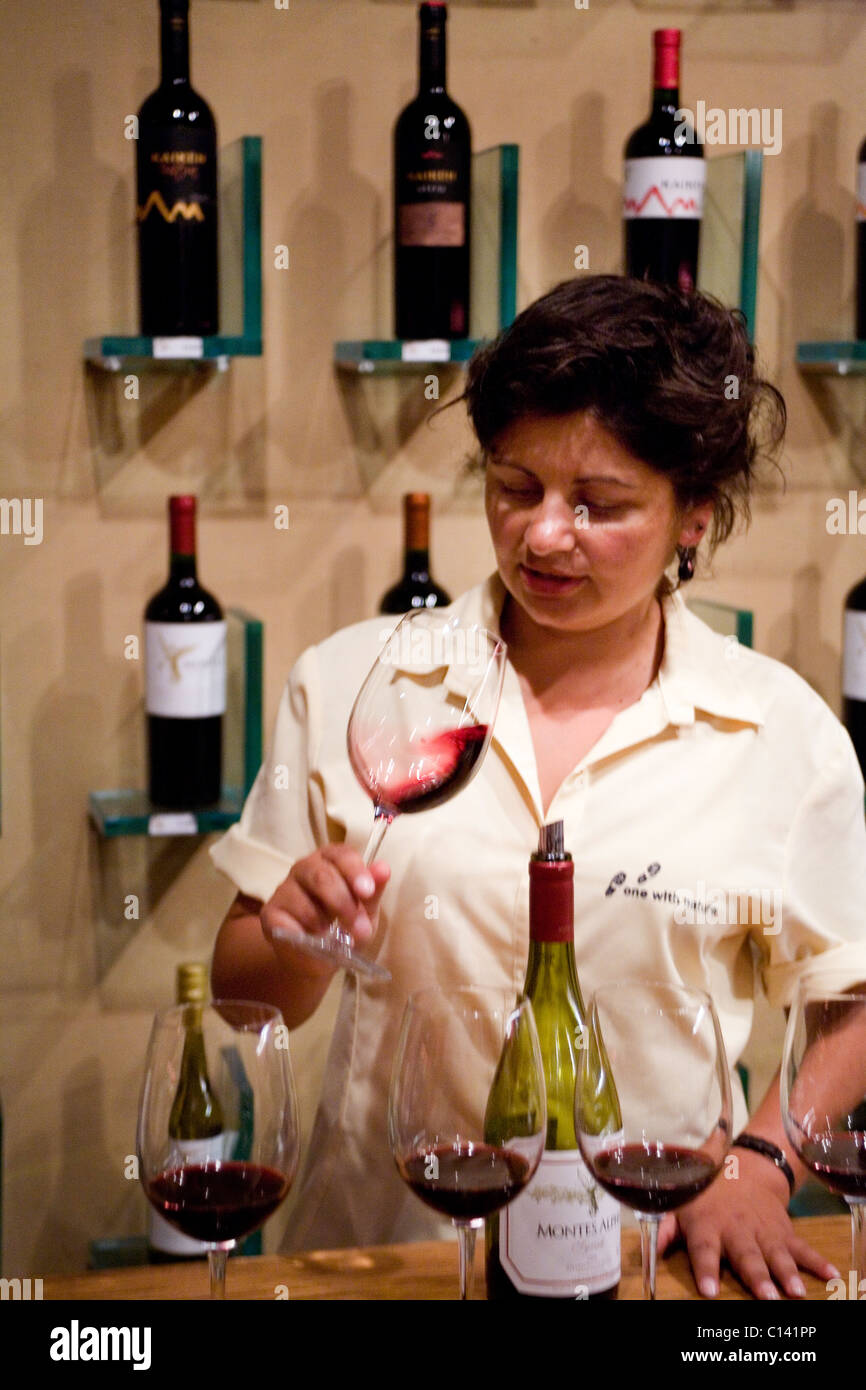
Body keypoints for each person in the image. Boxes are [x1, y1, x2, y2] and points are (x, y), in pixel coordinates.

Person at [211, 274, 866, 1299]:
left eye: (598, 505)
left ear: (691, 517)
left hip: (644, 1256)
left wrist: (760, 1159)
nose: (542, 535)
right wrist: (292, 934)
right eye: (513, 487)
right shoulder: (357, 682)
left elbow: (849, 996)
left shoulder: (775, 733)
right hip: (389, 1256)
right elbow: (243, 993)